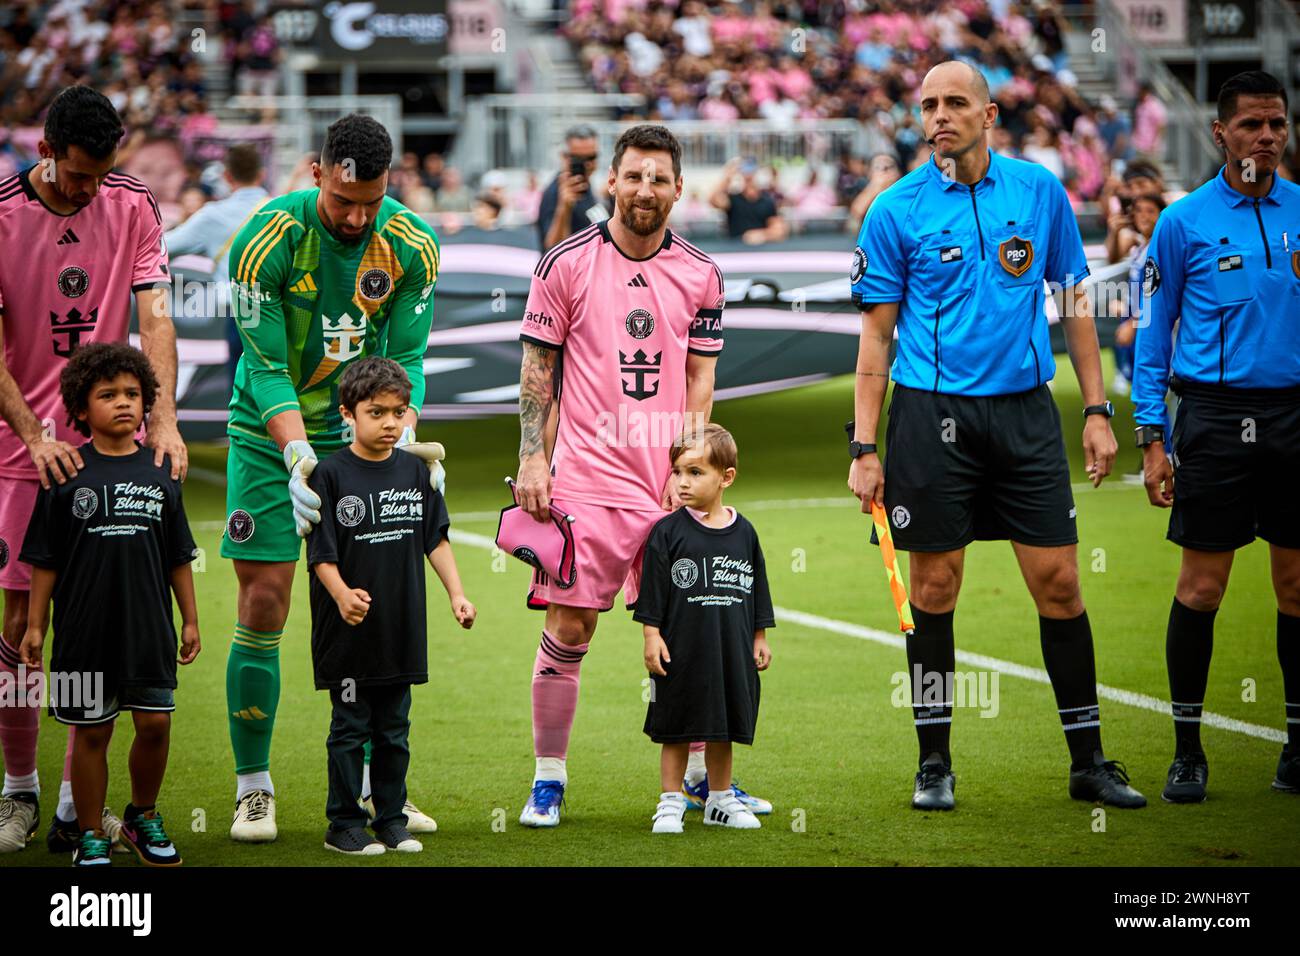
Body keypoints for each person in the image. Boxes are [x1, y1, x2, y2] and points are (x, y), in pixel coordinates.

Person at [847, 61, 1145, 812]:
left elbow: (1076, 303)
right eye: (927, 106)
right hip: (930, 417)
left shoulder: (1040, 192)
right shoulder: (894, 209)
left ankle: (1088, 763)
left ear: (989, 114)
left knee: (1061, 584)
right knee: (934, 588)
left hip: (1025, 415)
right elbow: (876, 341)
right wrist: (864, 446)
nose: (938, 115)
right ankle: (935, 762)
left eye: (954, 103)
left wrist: (1098, 409)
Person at [514, 124, 771, 827]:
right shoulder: (563, 263)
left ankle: (698, 782)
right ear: (611, 183)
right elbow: (538, 369)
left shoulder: (702, 272)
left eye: (659, 178)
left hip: (667, 487)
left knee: (693, 632)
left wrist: (687, 466)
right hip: (586, 481)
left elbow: (701, 375)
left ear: (679, 188)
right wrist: (533, 455)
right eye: (633, 176)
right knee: (571, 626)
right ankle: (549, 780)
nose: (645, 190)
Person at [221, 114, 443, 842]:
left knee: (374, 609)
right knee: (264, 600)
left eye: (370, 203)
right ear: (315, 173)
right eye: (343, 200)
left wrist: (402, 441)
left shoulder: (411, 244)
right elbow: (263, 367)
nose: (355, 216)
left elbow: (406, 361)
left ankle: (385, 795)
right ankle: (254, 788)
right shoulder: (264, 240)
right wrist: (294, 457)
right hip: (267, 437)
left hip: (364, 439)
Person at [0, 86, 185, 855]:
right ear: (46, 152)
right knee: (20, 630)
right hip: (22, 455)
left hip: (111, 449)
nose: (89, 191)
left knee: (107, 620)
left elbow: (156, 317)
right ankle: (20, 792)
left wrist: (164, 418)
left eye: (101, 175)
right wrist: (32, 432)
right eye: (79, 177)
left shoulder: (133, 202)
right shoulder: (3, 214)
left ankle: (82, 803)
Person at [1132, 70, 1300, 802]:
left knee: (1296, 587)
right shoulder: (1183, 221)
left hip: (1296, 418)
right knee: (1202, 588)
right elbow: (1152, 333)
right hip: (1213, 420)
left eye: (1277, 123)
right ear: (1220, 133)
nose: (1266, 136)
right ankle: (1187, 750)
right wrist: (1151, 435)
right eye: (1253, 124)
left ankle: (1297, 746)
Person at [18, 343, 199, 867]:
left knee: (155, 724)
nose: (123, 403)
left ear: (147, 403)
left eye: (133, 394)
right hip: (83, 633)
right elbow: (44, 560)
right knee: (91, 732)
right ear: (79, 409)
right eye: (108, 395)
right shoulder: (64, 475)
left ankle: (143, 815)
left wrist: (189, 618)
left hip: (149, 629)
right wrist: (36, 626)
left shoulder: (163, 472)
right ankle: (91, 833)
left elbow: (179, 556)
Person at [307, 357, 474, 855]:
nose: (389, 423)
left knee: (394, 730)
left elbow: (436, 541)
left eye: (398, 413)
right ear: (347, 414)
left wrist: (458, 594)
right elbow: (320, 554)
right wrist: (341, 594)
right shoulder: (330, 475)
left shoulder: (414, 471)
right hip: (350, 631)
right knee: (350, 727)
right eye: (376, 412)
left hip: (401, 628)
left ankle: (391, 818)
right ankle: (343, 824)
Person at [638, 424, 774, 833]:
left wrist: (760, 636)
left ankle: (720, 800)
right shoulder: (667, 532)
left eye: (695, 473)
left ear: (726, 477)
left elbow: (758, 587)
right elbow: (652, 592)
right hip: (680, 651)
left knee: (723, 726)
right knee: (676, 728)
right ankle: (669, 802)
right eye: (677, 471)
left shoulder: (744, 532)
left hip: (730, 650)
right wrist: (651, 635)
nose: (682, 482)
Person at [162, 143, 269, 394]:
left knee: (241, 391)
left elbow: (163, 247)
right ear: (261, 174)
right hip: (282, 311)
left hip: (242, 312)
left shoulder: (213, 215)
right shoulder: (283, 209)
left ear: (228, 176)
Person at [1111, 192, 1164, 397]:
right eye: (1139, 211)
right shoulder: (1141, 247)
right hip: (1138, 326)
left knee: (1152, 394)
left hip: (1148, 330)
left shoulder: (1159, 249)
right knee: (1143, 393)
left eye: (1150, 211)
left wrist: (1133, 323)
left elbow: (1157, 293)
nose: (1143, 216)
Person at [536, 125, 607, 252]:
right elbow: (551, 250)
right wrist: (564, 208)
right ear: (564, 157)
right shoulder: (556, 193)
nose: (587, 164)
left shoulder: (585, 185)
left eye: (592, 157)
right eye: (579, 159)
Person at [709, 157, 788, 244]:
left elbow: (779, 231)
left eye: (752, 174)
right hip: (734, 251)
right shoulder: (733, 199)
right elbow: (713, 200)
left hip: (760, 252)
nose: (749, 177)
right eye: (746, 175)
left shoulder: (767, 201)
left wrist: (761, 235)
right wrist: (728, 176)